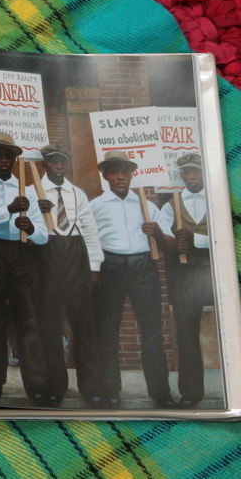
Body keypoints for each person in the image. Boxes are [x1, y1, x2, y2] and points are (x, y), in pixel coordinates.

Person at [90, 150, 176, 409]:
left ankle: (161, 394)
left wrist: (159, 234)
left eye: (125, 172)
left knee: (151, 329)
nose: (120, 177)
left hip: (142, 265)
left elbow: (171, 244)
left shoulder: (146, 206)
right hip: (110, 265)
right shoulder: (95, 206)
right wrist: (93, 269)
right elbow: (87, 241)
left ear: (131, 175)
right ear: (105, 175)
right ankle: (110, 392)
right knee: (107, 330)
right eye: (114, 172)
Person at [0, 132, 48, 405]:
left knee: (28, 319)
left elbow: (44, 236)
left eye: (9, 155)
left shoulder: (26, 188)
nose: (4, 160)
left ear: (15, 158)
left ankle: (36, 384)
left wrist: (32, 227)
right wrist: (9, 210)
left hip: (21, 254)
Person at [34, 144, 103, 406]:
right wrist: (37, 214)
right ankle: (54, 386)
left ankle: (91, 387)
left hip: (75, 255)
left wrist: (94, 266)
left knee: (83, 324)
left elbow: (89, 229)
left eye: (63, 161)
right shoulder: (33, 193)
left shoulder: (77, 194)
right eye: (54, 162)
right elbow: (26, 231)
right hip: (46, 256)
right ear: (45, 165)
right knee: (48, 324)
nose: (60, 166)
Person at [159, 153, 213, 407]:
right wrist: (170, 241)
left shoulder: (219, 199)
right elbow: (162, 238)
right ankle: (191, 393)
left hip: (214, 272)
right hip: (185, 276)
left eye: (195, 172)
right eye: (186, 173)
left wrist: (195, 240)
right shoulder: (172, 203)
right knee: (187, 333)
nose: (191, 177)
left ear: (204, 173)